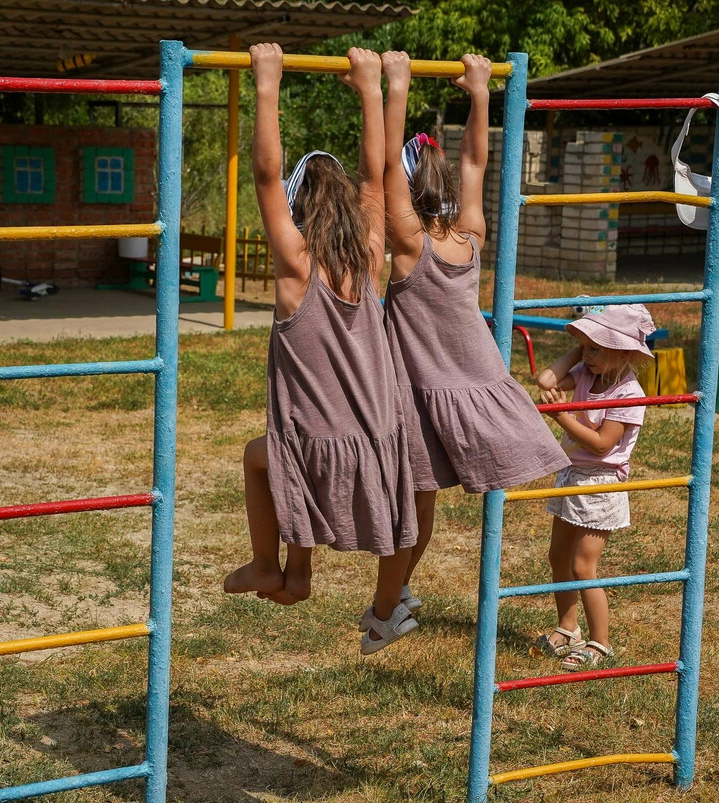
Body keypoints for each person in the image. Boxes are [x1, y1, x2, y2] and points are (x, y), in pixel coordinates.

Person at [223, 43, 421, 656]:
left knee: (263, 458)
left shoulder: (295, 266)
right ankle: (321, 580)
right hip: (378, 442)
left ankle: (268, 564)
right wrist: (373, 88)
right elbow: (374, 171)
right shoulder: (366, 255)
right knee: (298, 459)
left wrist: (267, 84)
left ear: (298, 208)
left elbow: (263, 174)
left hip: (317, 448)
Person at [377, 51, 568, 623]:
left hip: (417, 391)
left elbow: (386, 164)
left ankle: (391, 599)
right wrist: (481, 90)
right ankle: (399, 591)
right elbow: (478, 163)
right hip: (469, 382)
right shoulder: (471, 236)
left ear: (409, 198)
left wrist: (396, 87)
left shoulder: (410, 245)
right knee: (424, 507)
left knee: (417, 502)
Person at [533, 304, 658, 670]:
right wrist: (585, 346)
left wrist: (561, 416)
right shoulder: (588, 373)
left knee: (583, 565)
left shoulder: (628, 393)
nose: (587, 355)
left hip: (601, 485)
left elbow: (602, 444)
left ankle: (600, 642)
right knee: (557, 557)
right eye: (586, 346)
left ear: (624, 353)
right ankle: (567, 627)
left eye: (597, 347)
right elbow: (545, 381)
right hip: (571, 475)